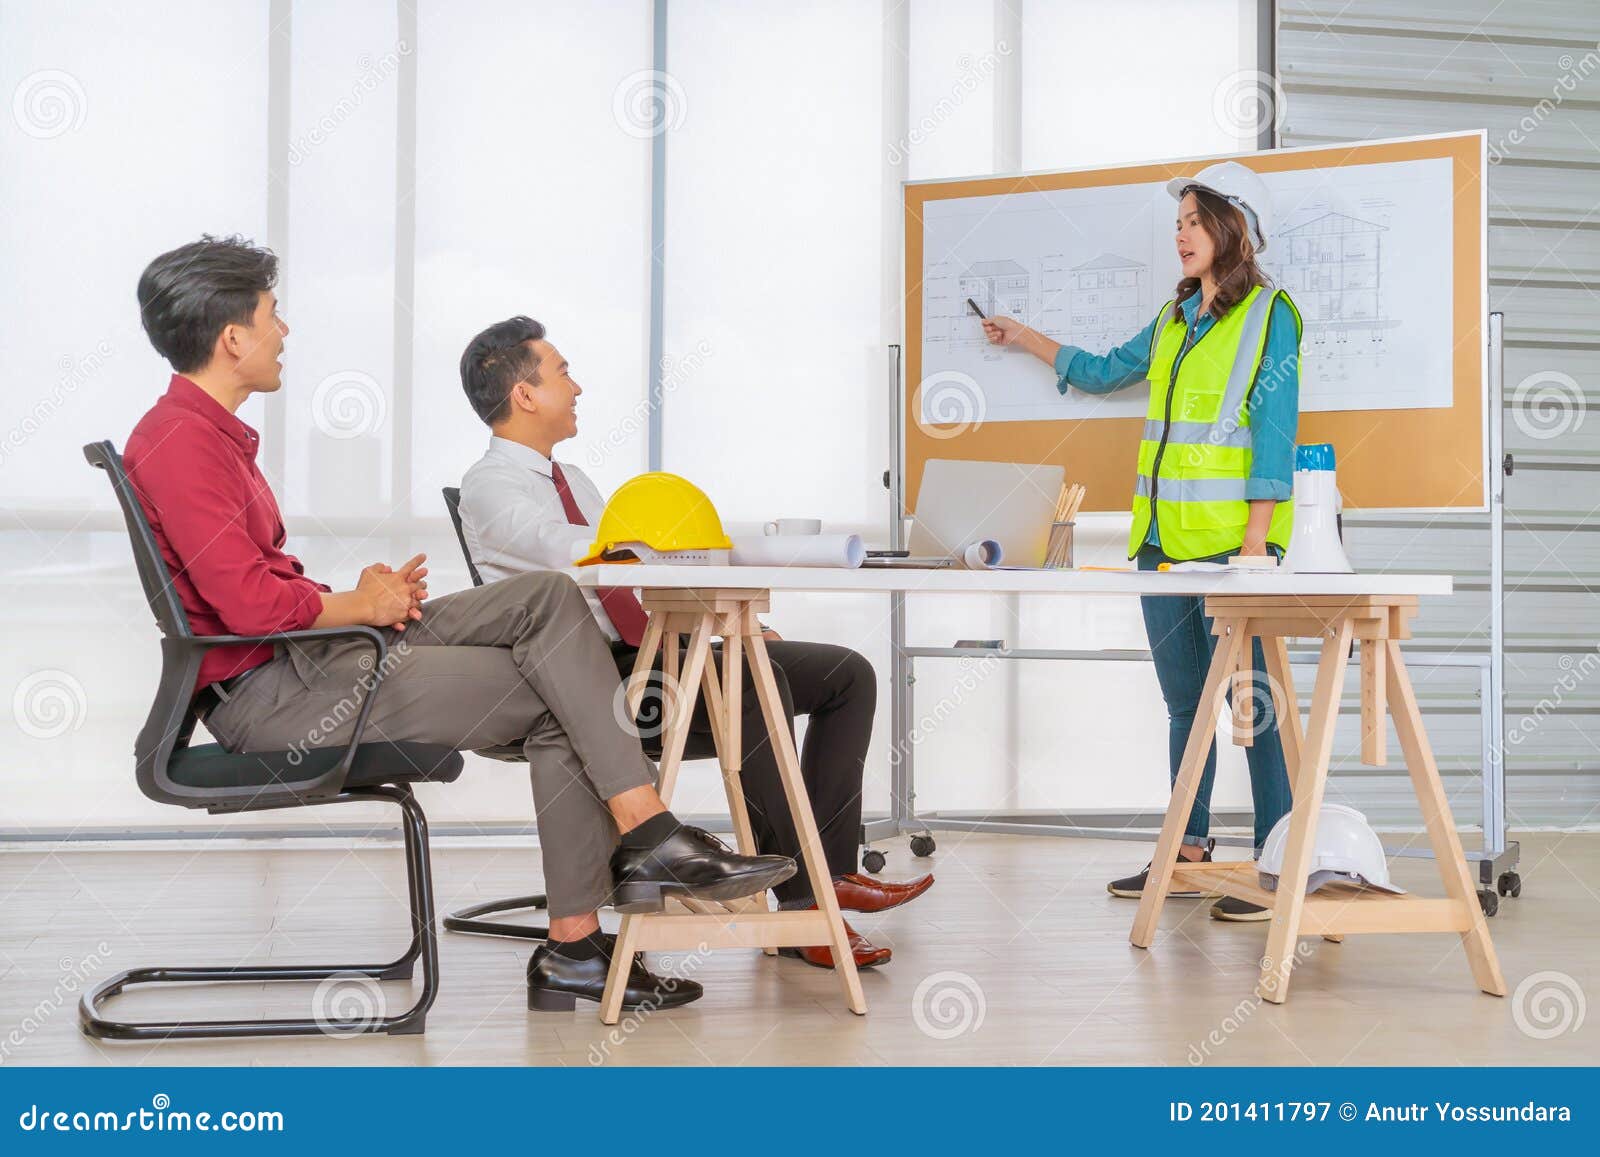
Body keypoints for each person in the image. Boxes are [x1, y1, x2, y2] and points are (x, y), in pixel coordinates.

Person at [122, 235, 798, 1012]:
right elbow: (243, 605)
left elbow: (255, 584)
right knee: (564, 691)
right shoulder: (181, 442)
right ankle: (604, 900)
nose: (285, 332)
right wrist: (358, 606)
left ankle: (610, 895)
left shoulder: (211, 437)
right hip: (277, 698)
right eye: (275, 316)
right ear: (232, 337)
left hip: (314, 659)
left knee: (546, 602)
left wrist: (362, 598)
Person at [454, 316, 934, 970]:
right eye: (563, 371)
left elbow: (637, 570)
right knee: (748, 678)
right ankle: (801, 906)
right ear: (525, 394)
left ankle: (834, 871)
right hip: (591, 680)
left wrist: (719, 613)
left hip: (653, 650)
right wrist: (655, 545)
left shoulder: (578, 482)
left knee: (846, 674)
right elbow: (583, 555)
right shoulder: (490, 486)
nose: (579, 386)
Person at [982, 161, 1300, 922]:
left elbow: (1275, 433)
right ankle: (1188, 846)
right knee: (1185, 703)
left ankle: (1279, 861)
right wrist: (1023, 335)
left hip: (1234, 551)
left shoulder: (1270, 315)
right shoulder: (1172, 319)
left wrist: (1257, 546)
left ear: (1235, 226)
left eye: (1193, 220)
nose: (1181, 234)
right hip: (1161, 546)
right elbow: (1100, 371)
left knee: (1253, 706)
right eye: (1178, 223)